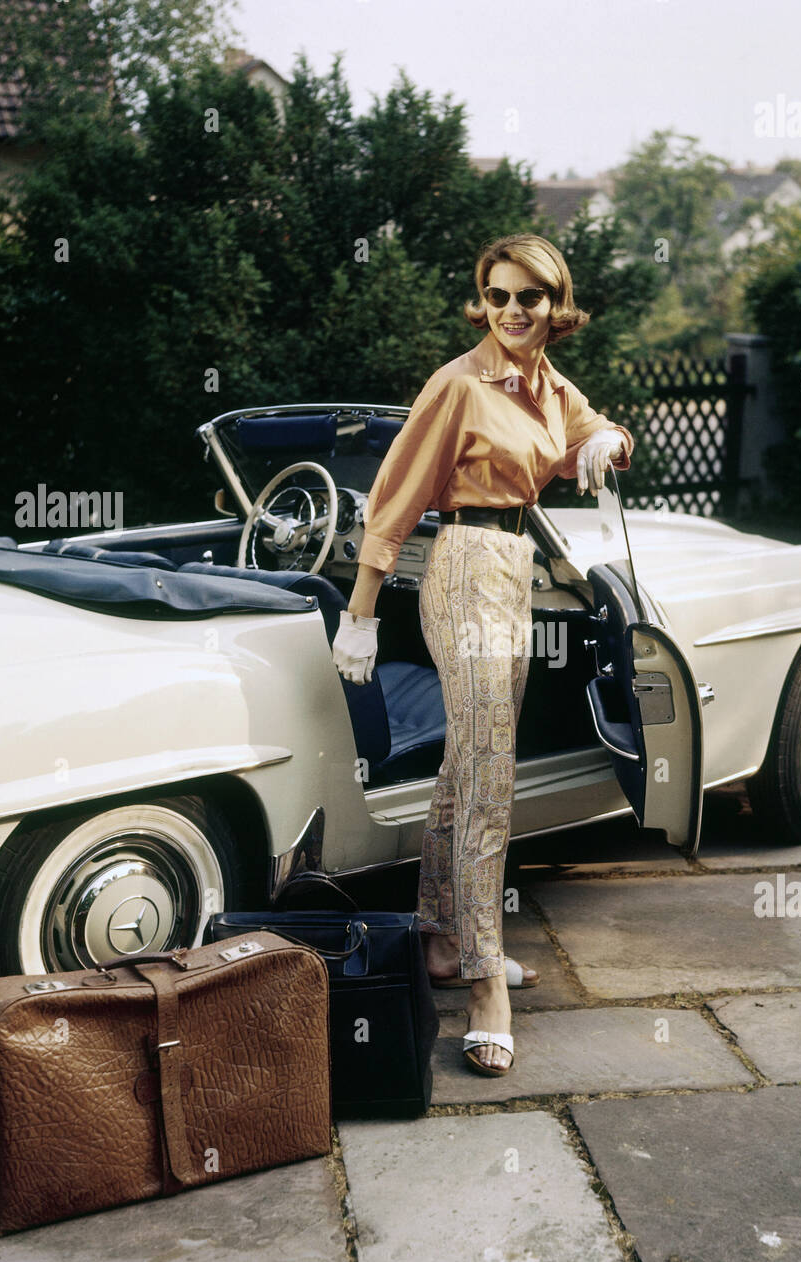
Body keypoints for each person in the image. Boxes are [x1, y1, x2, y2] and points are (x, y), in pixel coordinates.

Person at [332, 233, 634, 1076]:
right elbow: (395, 495)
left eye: (528, 298)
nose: (510, 312)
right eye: (497, 296)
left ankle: (436, 937)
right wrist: (359, 613)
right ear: (483, 302)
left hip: (517, 572)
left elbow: (591, 431)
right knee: (494, 771)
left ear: (554, 306)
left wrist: (607, 443)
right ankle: (482, 986)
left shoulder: (546, 385)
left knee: (468, 766)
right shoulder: (458, 384)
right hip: (462, 568)